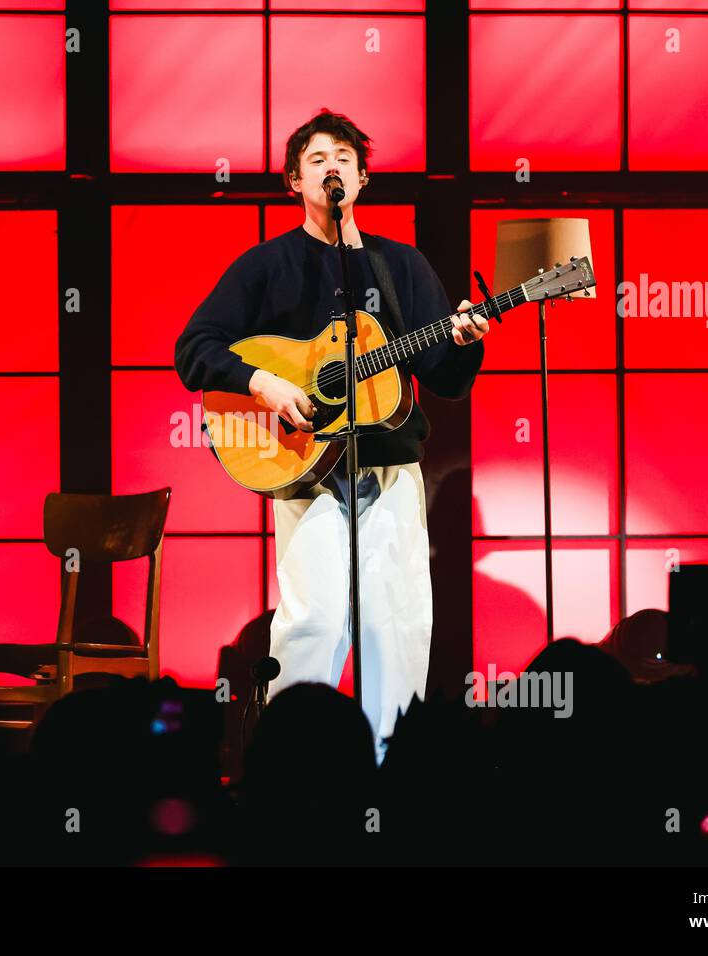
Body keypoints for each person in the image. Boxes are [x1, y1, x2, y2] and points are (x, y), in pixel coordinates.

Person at [175, 109, 488, 761]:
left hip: (390, 471)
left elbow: (445, 377)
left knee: (396, 629)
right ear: (294, 180)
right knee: (311, 625)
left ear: (364, 177)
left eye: (344, 157)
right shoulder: (266, 266)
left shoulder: (399, 267)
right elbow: (194, 348)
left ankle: (388, 773)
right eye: (316, 159)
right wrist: (263, 383)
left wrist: (464, 339)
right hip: (308, 474)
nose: (331, 168)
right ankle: (298, 773)